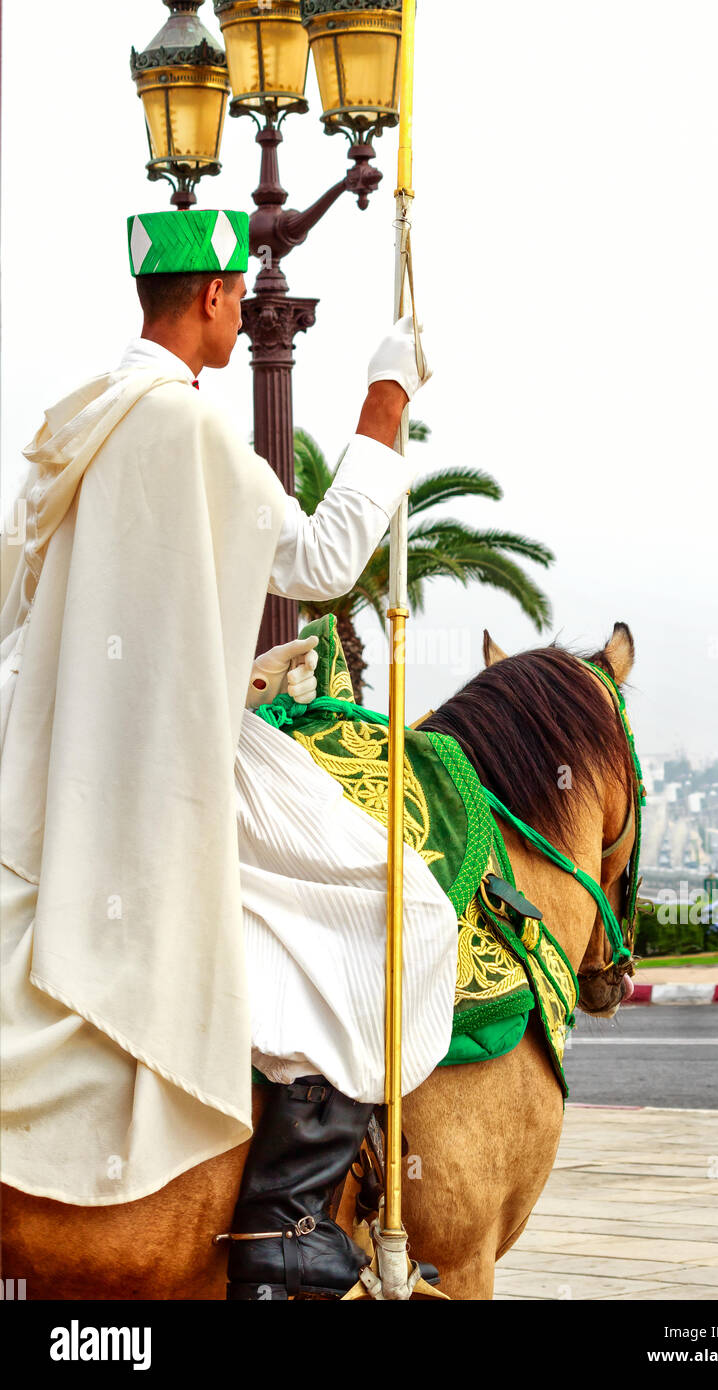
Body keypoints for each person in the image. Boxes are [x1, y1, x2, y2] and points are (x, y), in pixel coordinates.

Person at [0, 209, 457, 1298]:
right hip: (166, 777)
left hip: (52, 770)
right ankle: (284, 1221)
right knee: (395, 906)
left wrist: (222, 673)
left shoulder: (73, 427)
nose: (244, 311)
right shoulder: (188, 427)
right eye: (238, 298)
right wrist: (386, 395)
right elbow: (325, 555)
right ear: (210, 299)